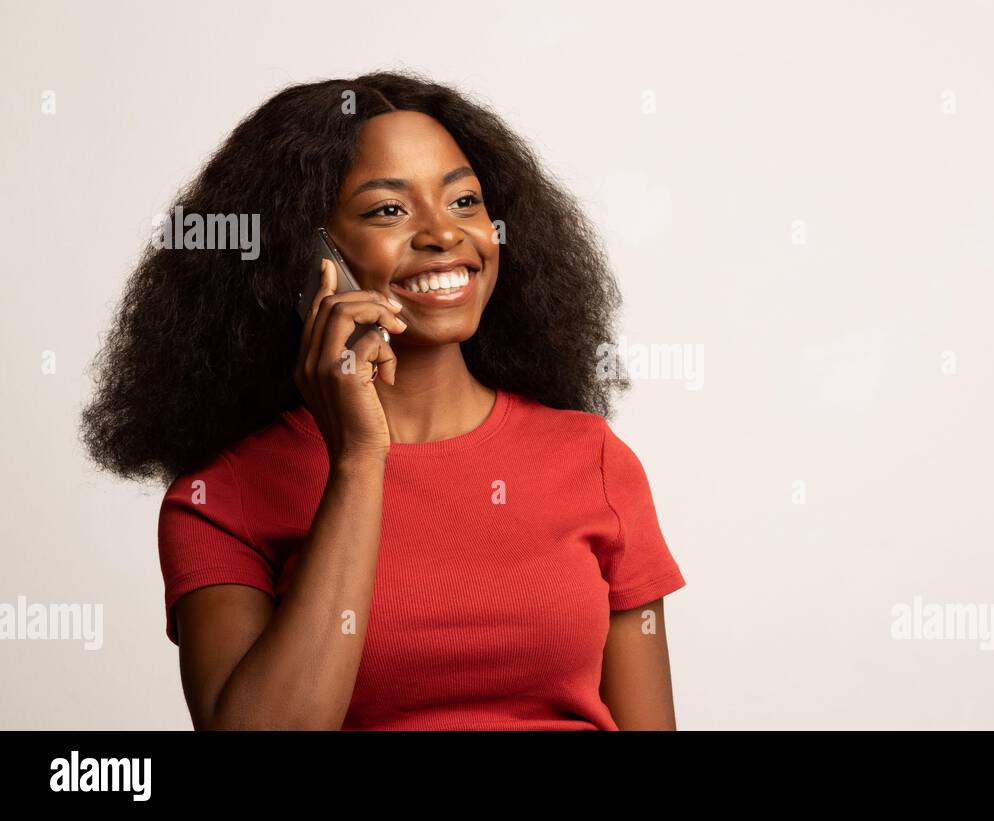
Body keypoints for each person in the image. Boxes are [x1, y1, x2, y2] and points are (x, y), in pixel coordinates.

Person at [79, 71, 686, 730]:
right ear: (305, 253)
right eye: (387, 210)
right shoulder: (222, 499)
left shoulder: (592, 459)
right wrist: (360, 460)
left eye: (464, 201)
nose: (443, 235)